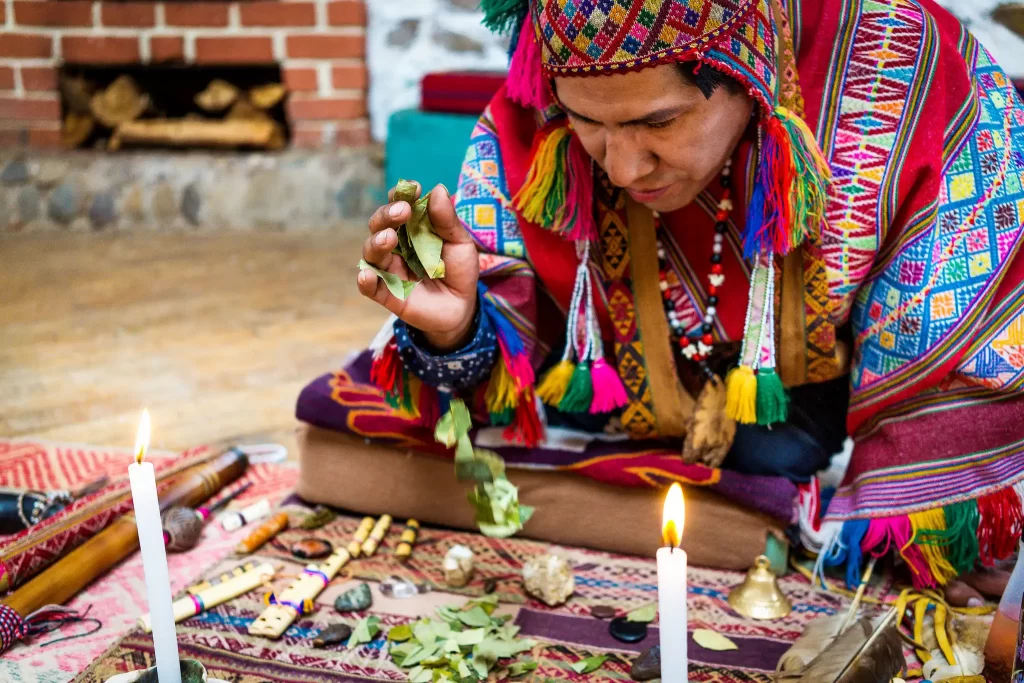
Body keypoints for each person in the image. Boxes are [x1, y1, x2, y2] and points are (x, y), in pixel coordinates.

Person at [354, 0, 1024, 602]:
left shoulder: (897, 62)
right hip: (606, 391)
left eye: (660, 122)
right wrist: (459, 331)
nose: (619, 167)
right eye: (586, 121)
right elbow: (501, 337)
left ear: (754, 66)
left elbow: (960, 298)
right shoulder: (550, 83)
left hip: (811, 394)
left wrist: (940, 497)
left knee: (781, 451)